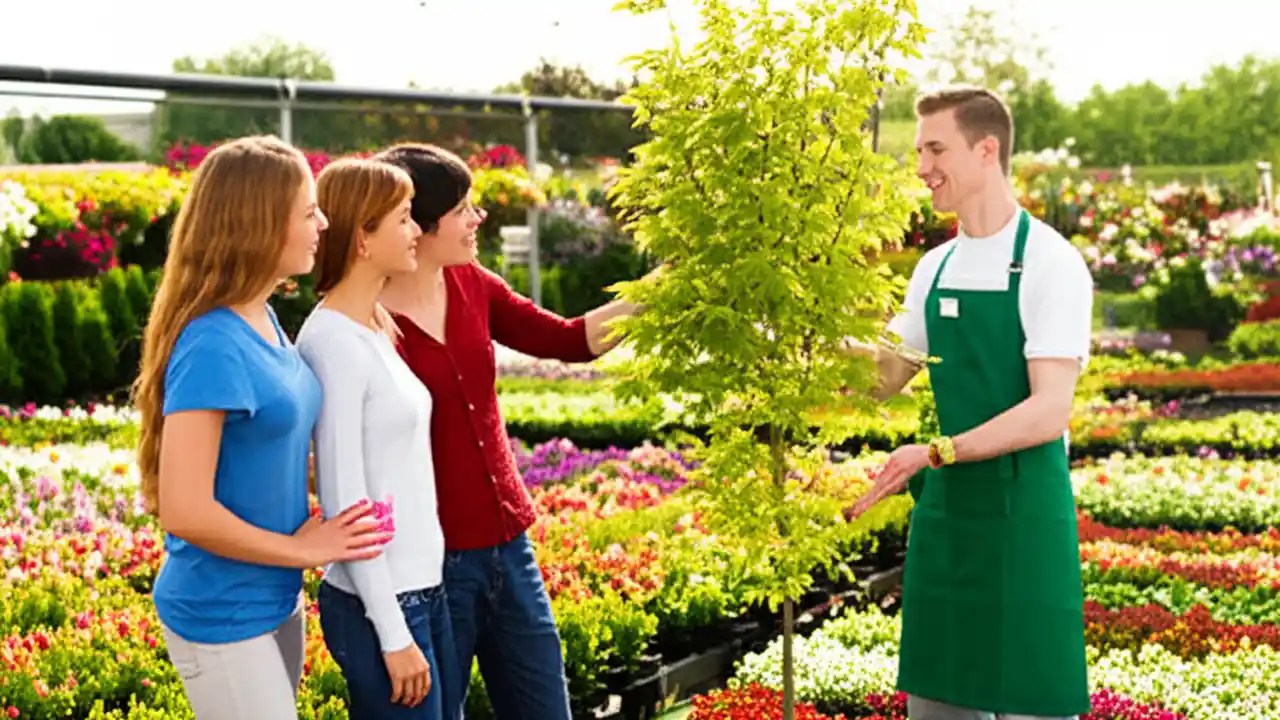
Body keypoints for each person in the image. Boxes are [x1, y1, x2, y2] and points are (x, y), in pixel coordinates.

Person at [844, 86, 1094, 720]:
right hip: (950, 520)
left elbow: (1048, 412)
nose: (922, 167)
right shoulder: (935, 268)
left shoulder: (1049, 264)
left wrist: (935, 451)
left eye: (935, 149)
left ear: (987, 150)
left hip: (1024, 519)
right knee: (936, 705)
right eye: (919, 150)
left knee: (1034, 700)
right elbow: (882, 377)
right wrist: (800, 334)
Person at [375, 142, 639, 719]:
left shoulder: (473, 282)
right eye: (464, 208)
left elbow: (568, 339)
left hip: (508, 549)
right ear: (419, 224)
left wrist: (652, 294)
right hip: (431, 565)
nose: (479, 217)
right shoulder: (364, 317)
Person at [133, 136, 392, 720]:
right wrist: (302, 549)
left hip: (273, 601)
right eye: (308, 211)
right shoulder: (213, 342)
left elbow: (263, 446)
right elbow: (184, 509)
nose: (324, 223)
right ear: (260, 223)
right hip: (221, 612)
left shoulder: (264, 317)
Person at [296, 157, 459, 720]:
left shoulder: (372, 327)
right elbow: (345, 501)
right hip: (384, 607)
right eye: (404, 219)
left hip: (422, 592)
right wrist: (393, 633)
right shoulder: (332, 341)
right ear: (363, 238)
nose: (417, 231)